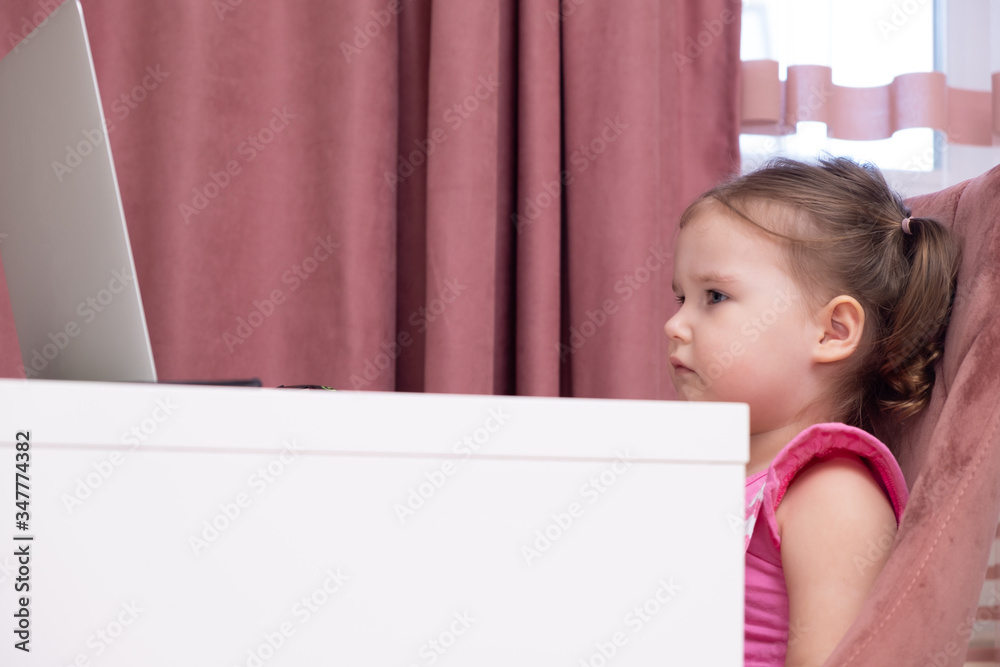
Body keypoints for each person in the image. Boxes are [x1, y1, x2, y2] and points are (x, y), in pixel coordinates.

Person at [663, 156, 961, 666]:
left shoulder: (831, 491)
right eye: (680, 297)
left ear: (833, 332)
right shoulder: (712, 466)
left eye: (714, 296)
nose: (675, 325)